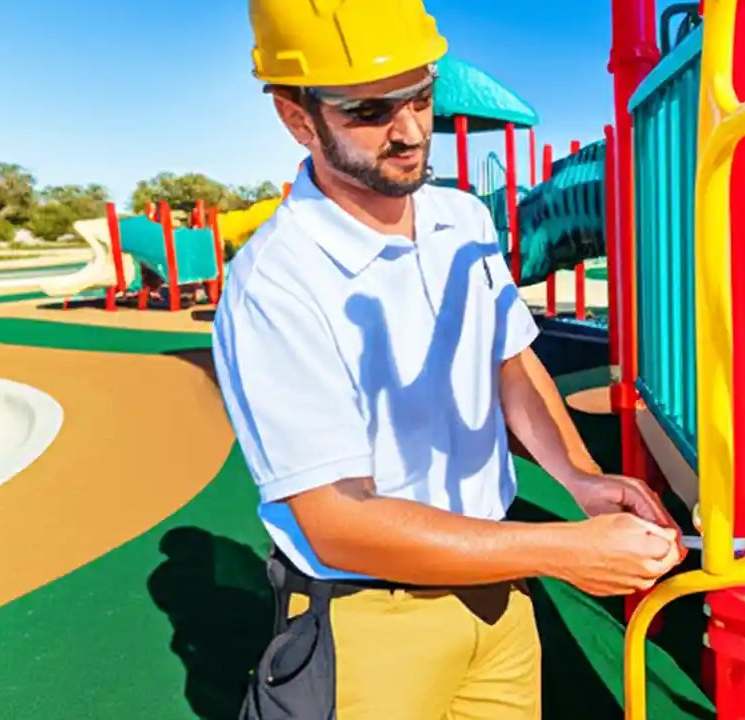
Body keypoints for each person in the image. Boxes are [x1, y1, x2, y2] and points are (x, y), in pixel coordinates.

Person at [211, 1, 684, 718]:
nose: (408, 131)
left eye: (421, 96)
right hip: (375, 616)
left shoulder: (459, 216)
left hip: (499, 598)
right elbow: (339, 522)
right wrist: (560, 551)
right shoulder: (275, 283)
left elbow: (509, 361)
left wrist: (580, 480)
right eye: (369, 110)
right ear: (297, 119)